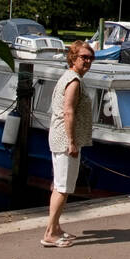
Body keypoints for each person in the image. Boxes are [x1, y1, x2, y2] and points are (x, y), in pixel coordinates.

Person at [41, 40, 94, 247]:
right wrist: (72, 142)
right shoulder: (74, 81)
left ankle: (55, 228)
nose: (88, 62)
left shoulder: (70, 77)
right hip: (66, 141)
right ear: (73, 58)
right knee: (62, 187)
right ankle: (49, 234)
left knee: (60, 185)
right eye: (84, 57)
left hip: (60, 138)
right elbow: (68, 111)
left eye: (90, 58)